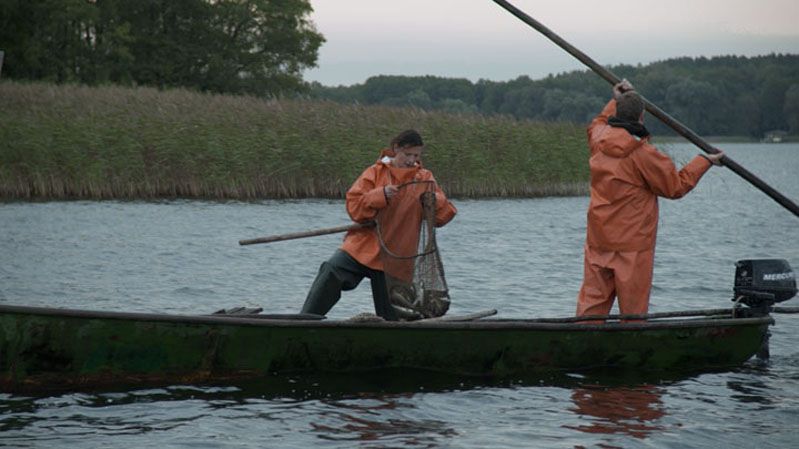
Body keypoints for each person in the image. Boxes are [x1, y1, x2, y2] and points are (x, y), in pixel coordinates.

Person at [576, 79, 724, 319]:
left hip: (598, 241)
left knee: (590, 310)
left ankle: (579, 345)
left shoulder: (599, 139)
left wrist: (614, 99)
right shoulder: (645, 155)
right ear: (642, 117)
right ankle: (632, 348)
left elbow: (598, 123)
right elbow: (675, 187)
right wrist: (704, 161)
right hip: (633, 246)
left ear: (618, 111)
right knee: (633, 314)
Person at [301, 130, 457, 321]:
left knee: (394, 318)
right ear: (395, 149)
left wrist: (435, 201)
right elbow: (354, 207)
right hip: (363, 247)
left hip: (397, 258)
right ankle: (304, 321)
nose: (412, 160)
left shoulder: (425, 179)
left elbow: (444, 215)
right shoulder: (374, 173)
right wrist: (380, 195)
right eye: (408, 154)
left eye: (416, 155)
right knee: (331, 270)